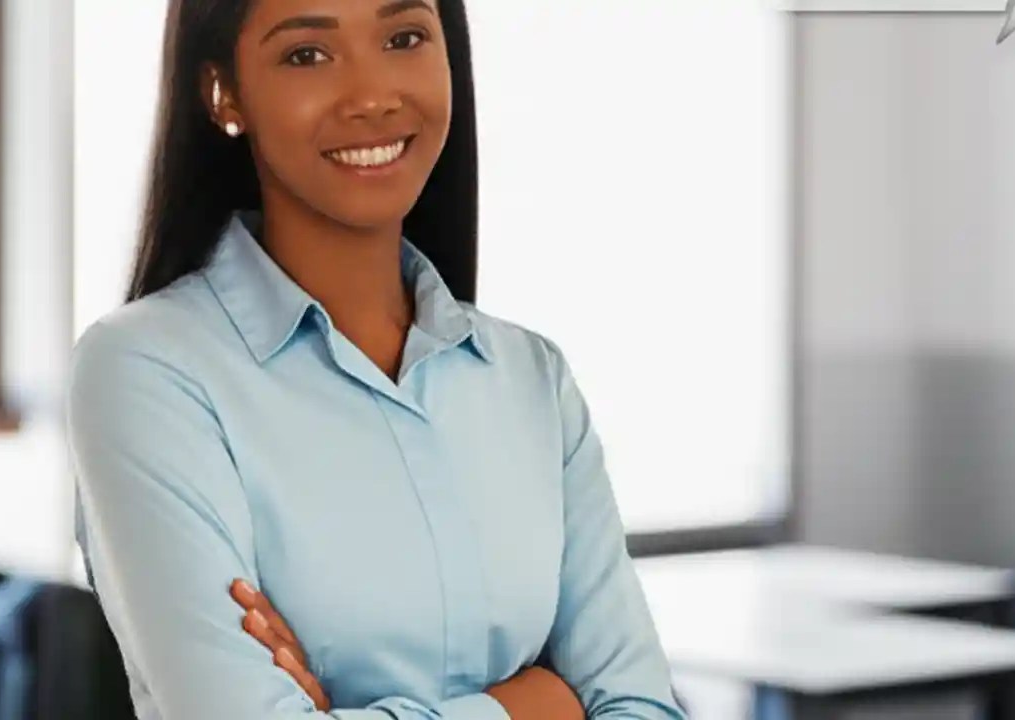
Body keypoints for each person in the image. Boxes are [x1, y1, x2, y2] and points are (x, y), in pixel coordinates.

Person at [66, 1, 686, 718]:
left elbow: (644, 708)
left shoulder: (532, 380)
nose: (372, 96)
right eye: (307, 54)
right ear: (222, 92)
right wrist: (541, 704)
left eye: (404, 38)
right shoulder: (148, 372)